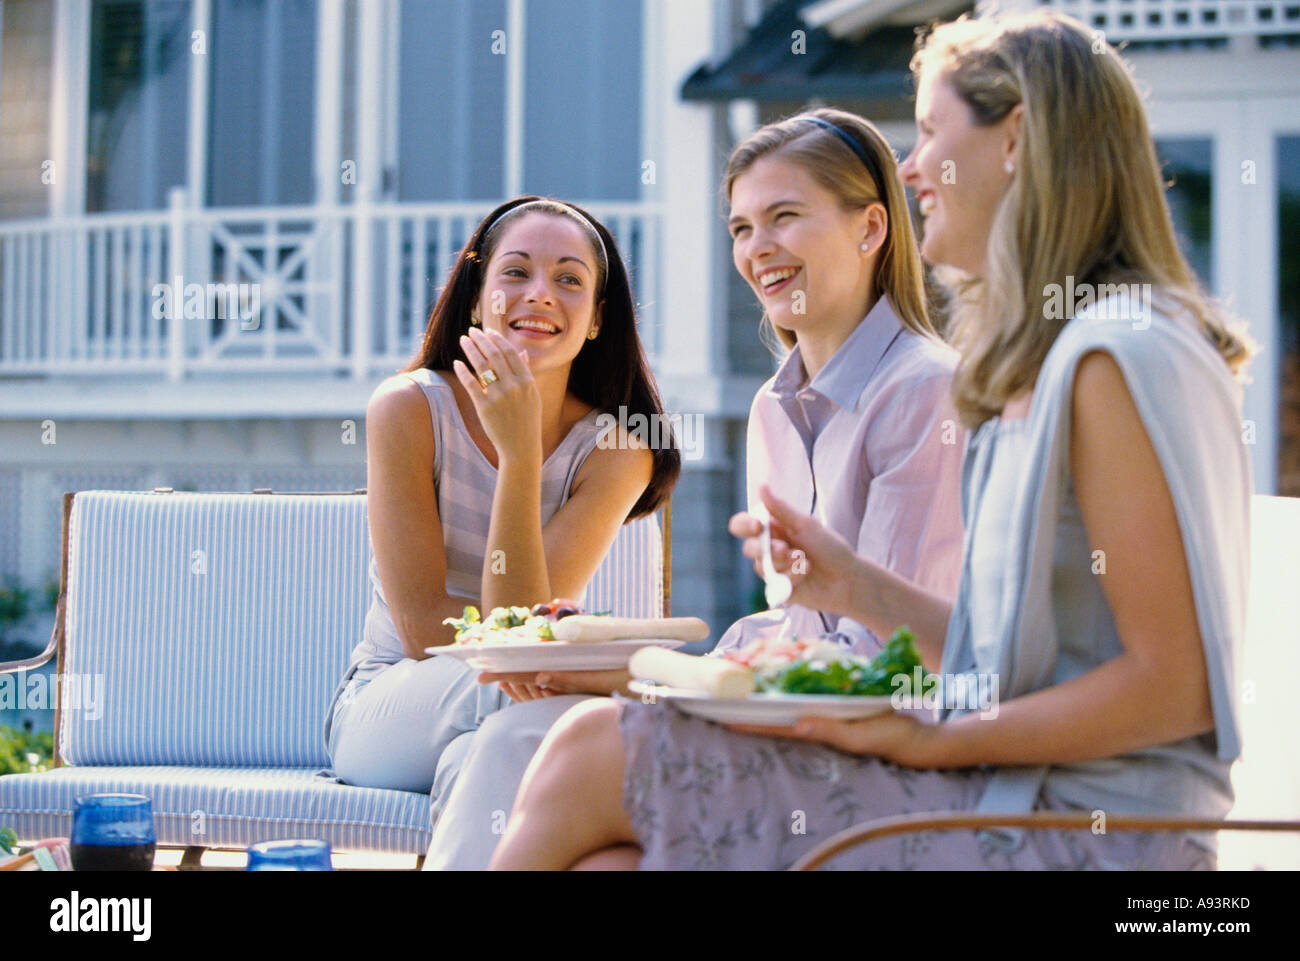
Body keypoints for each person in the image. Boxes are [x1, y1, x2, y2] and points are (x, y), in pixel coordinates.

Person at [488, 9, 1255, 871]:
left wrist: (933, 743)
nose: (911, 165)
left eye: (930, 132)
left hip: (1080, 832)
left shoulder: (1115, 354)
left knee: (592, 751)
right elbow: (1000, 662)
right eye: (742, 226)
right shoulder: (1053, 358)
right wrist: (854, 585)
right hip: (1015, 789)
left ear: (1016, 140)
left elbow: (1174, 689)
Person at [422, 108, 966, 868]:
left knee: (548, 734)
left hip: (891, 753)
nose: (757, 249)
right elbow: (795, 629)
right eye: (742, 227)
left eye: (784, 217)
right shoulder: (774, 408)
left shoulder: (923, 394)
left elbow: (892, 666)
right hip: (803, 723)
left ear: (871, 228)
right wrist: (629, 666)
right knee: (588, 836)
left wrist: (660, 678)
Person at [320, 196, 679, 806]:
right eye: (515, 272)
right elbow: (427, 628)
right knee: (570, 690)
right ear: (477, 296)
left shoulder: (619, 448)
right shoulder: (409, 409)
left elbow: (525, 629)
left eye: (569, 279)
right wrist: (518, 458)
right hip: (388, 703)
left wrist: (546, 657)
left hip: (525, 698)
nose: (539, 293)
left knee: (494, 752)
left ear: (596, 318)